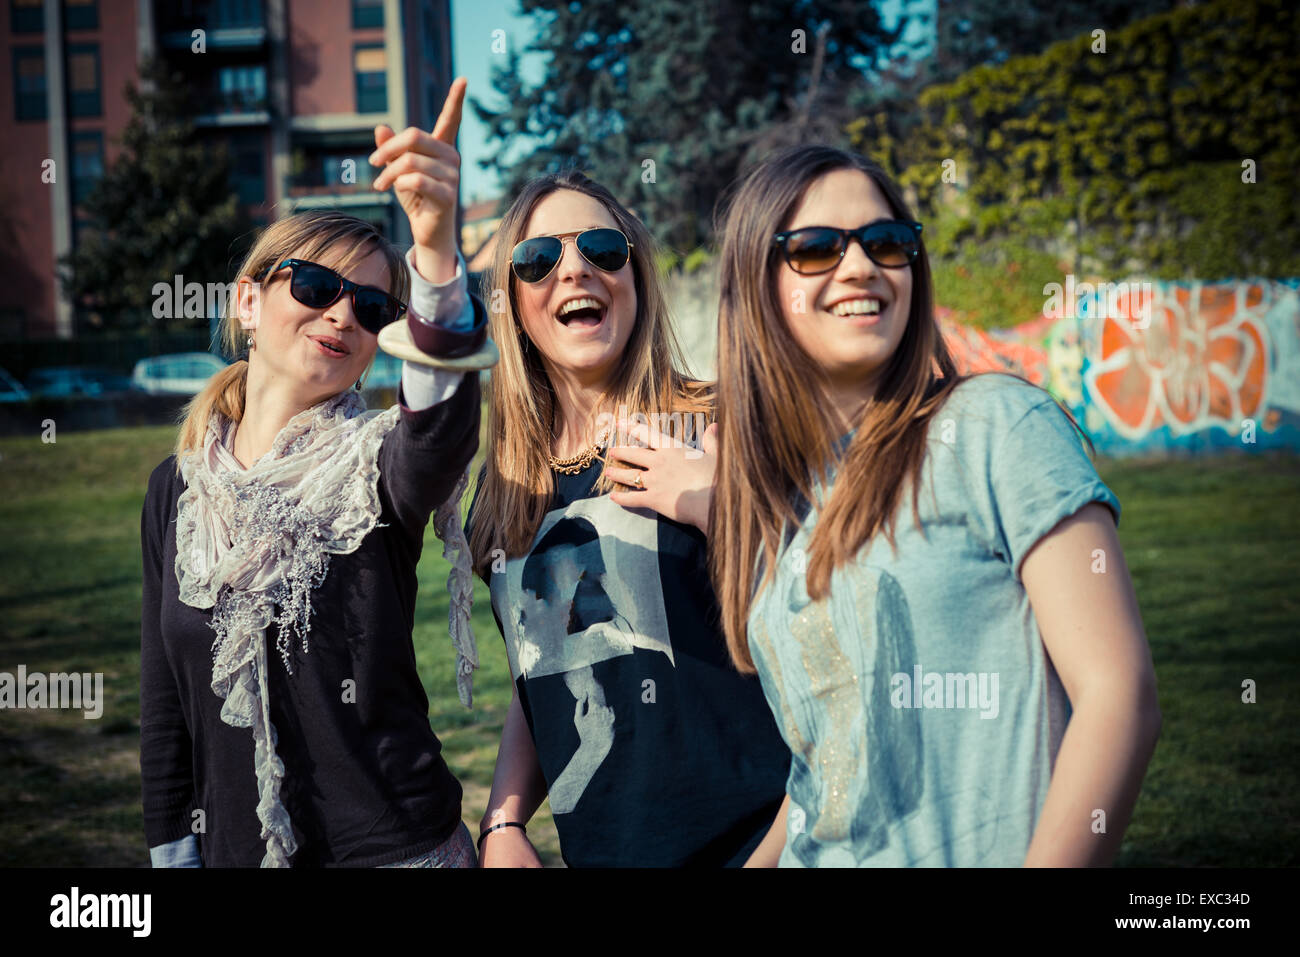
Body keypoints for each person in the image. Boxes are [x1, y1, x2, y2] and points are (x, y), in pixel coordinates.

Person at [695, 144, 1162, 866]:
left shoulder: (995, 425)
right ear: (754, 286)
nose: (861, 267)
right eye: (816, 249)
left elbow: (1118, 696)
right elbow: (828, 763)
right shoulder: (788, 498)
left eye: (887, 243)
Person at [140, 79, 490, 867]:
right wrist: (171, 852)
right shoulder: (177, 488)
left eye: (372, 307)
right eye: (315, 286)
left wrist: (433, 248)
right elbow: (166, 700)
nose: (342, 315)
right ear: (249, 302)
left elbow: (439, 430)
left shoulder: (378, 467)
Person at [466, 170, 790, 867]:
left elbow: (827, 619)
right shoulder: (506, 490)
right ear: (512, 300)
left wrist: (714, 503)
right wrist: (505, 819)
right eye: (539, 259)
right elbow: (547, 669)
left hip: (764, 841)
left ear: (636, 275)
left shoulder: (717, 425)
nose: (576, 268)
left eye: (603, 248)